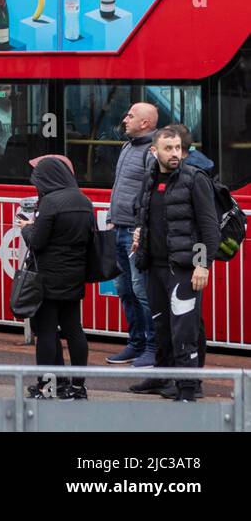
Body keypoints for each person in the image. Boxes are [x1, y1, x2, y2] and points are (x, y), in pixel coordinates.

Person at [131, 127, 220, 403]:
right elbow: (146, 215)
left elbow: (209, 227)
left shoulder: (195, 179)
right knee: (161, 328)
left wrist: (202, 265)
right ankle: (164, 379)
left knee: (184, 331)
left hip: (184, 269)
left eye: (178, 148)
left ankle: (187, 389)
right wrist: (140, 234)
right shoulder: (149, 178)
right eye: (168, 148)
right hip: (155, 267)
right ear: (154, 151)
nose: (175, 154)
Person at [17, 156, 94, 400]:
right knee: (74, 329)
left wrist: (26, 227)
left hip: (48, 278)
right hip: (75, 275)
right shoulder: (84, 201)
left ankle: (47, 387)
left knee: (48, 332)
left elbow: (38, 242)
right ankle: (78, 387)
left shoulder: (49, 202)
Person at [105, 102, 158, 367]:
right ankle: (135, 343)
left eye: (131, 116)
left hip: (135, 232)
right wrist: (110, 217)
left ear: (146, 123)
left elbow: (150, 193)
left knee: (141, 289)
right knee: (124, 289)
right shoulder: (127, 146)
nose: (125, 119)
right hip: (120, 227)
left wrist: (139, 227)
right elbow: (120, 186)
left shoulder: (152, 151)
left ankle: (151, 346)